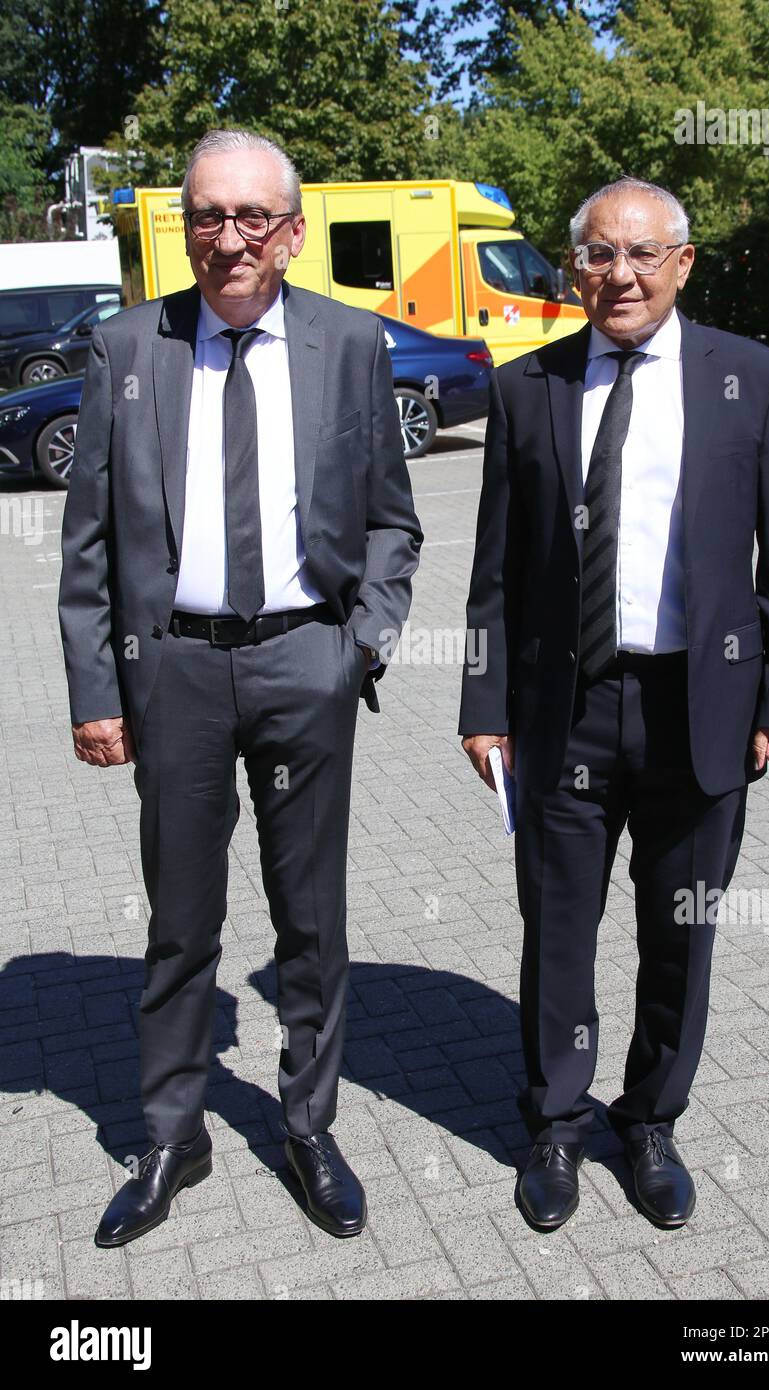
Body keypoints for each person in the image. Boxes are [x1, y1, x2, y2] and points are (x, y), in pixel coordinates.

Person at [59, 128, 422, 1247]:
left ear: (292, 232)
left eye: (250, 217)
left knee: (309, 918)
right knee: (180, 919)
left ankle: (307, 1123)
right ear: (184, 225)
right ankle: (172, 1129)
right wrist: (95, 689)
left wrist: (358, 643)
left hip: (303, 660)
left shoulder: (350, 343)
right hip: (169, 670)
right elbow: (86, 547)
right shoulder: (127, 346)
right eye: (205, 216)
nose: (226, 238)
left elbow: (390, 519)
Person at [459, 176, 769, 1232]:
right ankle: (557, 1123)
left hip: (698, 707)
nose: (617, 274)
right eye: (597, 255)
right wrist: (482, 703)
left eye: (640, 254)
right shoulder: (528, 386)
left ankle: (651, 1118)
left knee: (680, 932)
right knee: (556, 932)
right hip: (560, 709)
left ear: (681, 262)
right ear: (573, 268)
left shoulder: (746, 379)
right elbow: (493, 569)